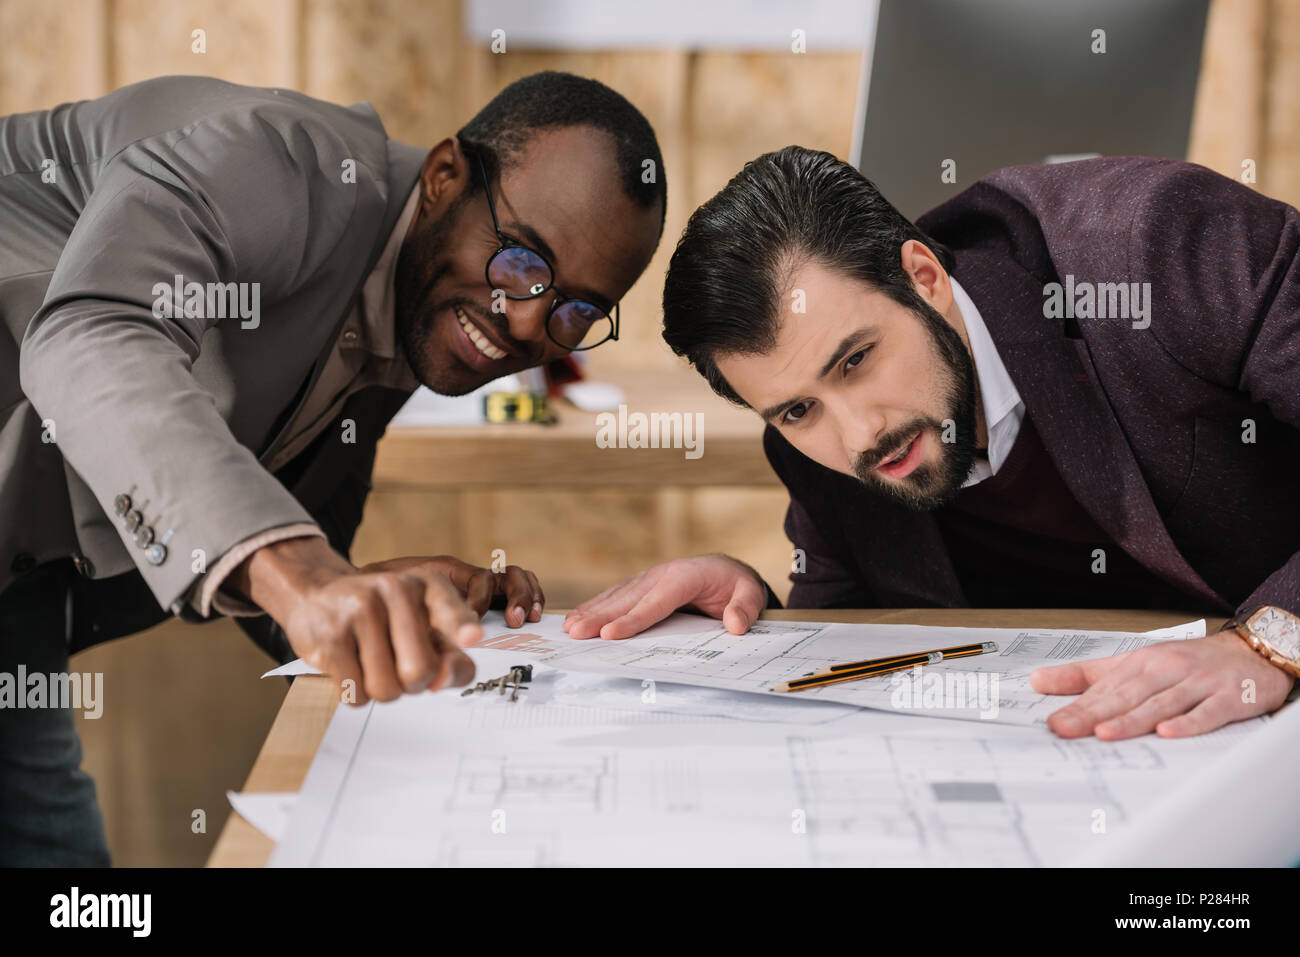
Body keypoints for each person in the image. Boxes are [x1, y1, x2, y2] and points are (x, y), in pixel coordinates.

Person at [0, 71, 666, 864]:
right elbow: (94, 330)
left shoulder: (414, 305)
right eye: (521, 259)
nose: (526, 320)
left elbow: (289, 555)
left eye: (574, 309)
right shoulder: (276, 161)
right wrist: (304, 573)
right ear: (445, 175)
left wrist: (375, 600)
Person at [566, 146, 1299, 744]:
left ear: (925, 277)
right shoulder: (813, 456)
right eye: (796, 409)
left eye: (855, 360)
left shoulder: (1152, 245)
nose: (859, 434)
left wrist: (1269, 643)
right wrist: (752, 613)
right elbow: (853, 656)